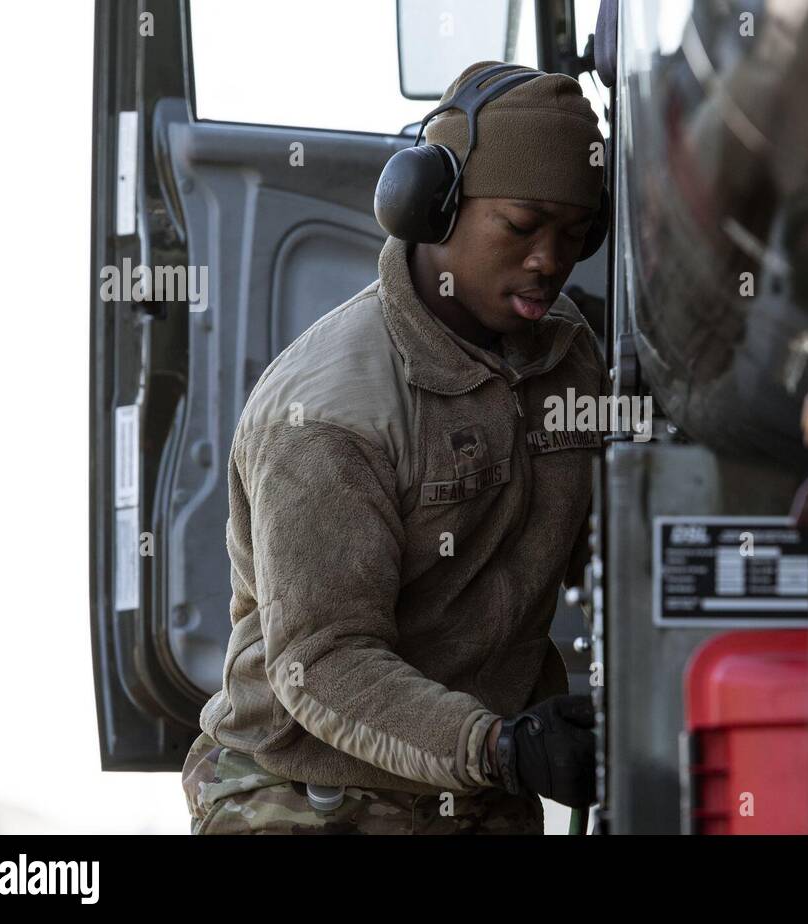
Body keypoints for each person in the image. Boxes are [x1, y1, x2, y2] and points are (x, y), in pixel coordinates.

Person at [181, 61, 606, 834]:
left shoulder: (570, 358)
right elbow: (325, 663)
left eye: (575, 236)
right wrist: (503, 746)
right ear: (431, 207)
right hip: (306, 797)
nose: (550, 260)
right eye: (521, 226)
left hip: (480, 787)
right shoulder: (328, 416)